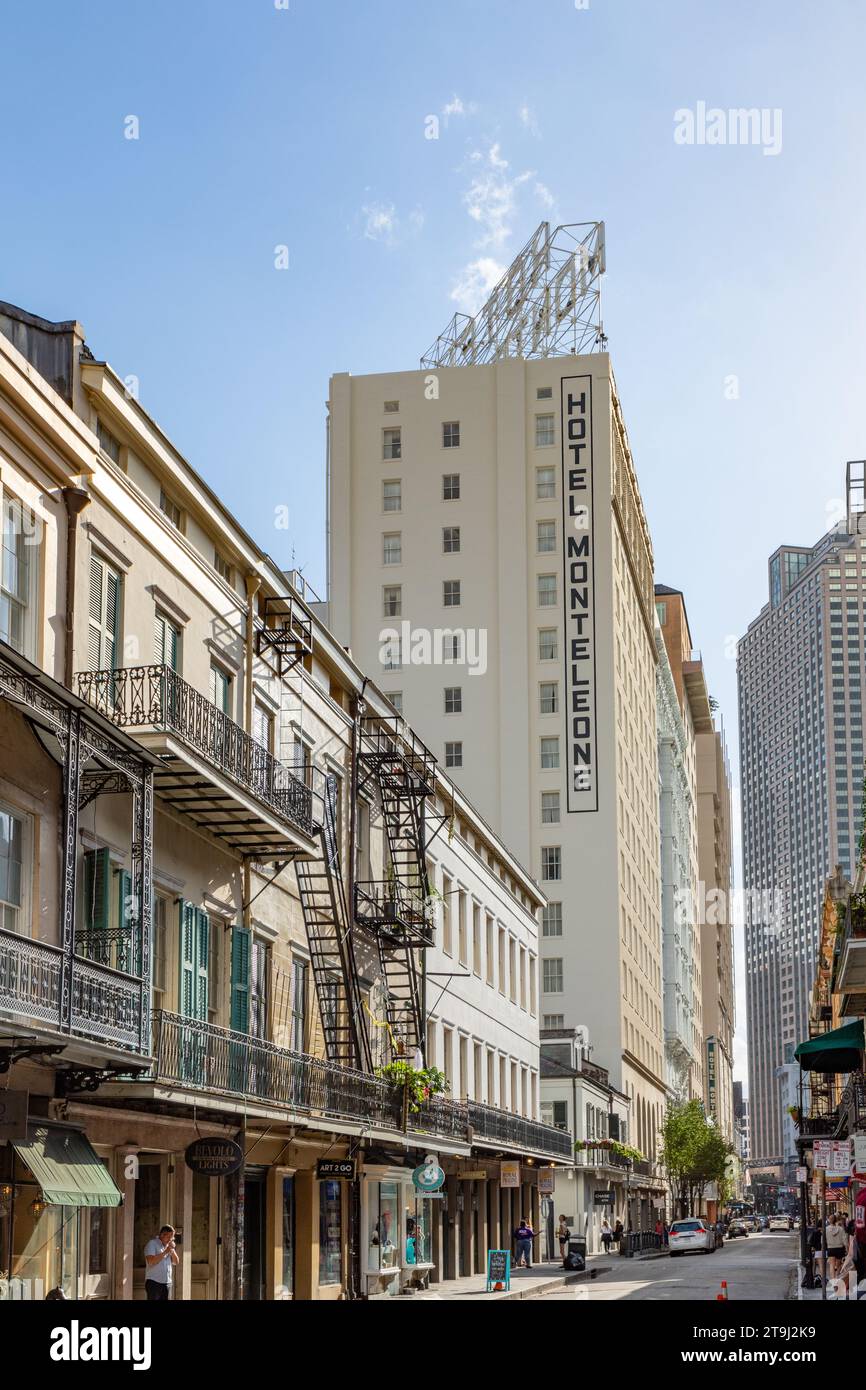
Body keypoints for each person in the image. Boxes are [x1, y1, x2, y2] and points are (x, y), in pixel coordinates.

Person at [144, 1224, 179, 1301]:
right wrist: (166, 1252)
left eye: (172, 1237)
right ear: (162, 1235)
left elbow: (176, 1262)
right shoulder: (152, 1244)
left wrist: (172, 1251)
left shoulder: (169, 1246)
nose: (171, 1239)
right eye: (169, 1237)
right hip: (154, 1283)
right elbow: (151, 1261)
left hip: (167, 1283)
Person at [825, 1213, 847, 1282]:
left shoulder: (826, 1229)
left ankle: (833, 1280)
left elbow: (823, 1240)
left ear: (829, 1220)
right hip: (839, 1248)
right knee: (838, 1265)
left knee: (832, 1265)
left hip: (830, 1248)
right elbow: (845, 1240)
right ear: (836, 1220)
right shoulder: (840, 1229)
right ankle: (837, 1278)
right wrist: (847, 1248)